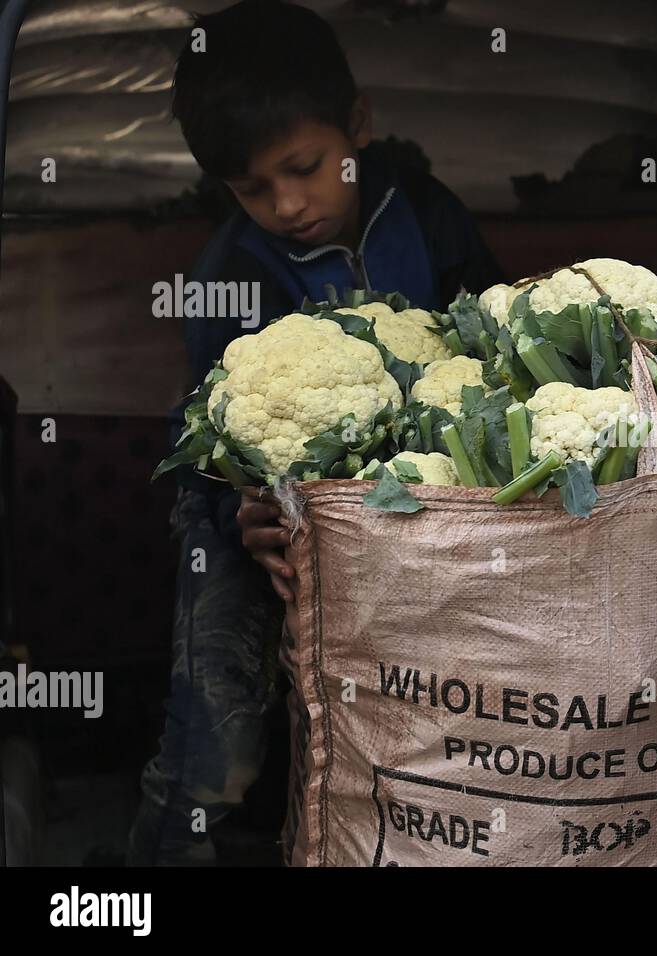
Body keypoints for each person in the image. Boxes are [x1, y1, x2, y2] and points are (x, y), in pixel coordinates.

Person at [129, 0, 504, 866]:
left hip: (416, 510)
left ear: (358, 124)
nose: (287, 204)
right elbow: (209, 434)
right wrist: (238, 517)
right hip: (253, 525)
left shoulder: (431, 218)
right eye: (251, 189)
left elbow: (493, 347)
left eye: (302, 168)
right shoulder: (229, 273)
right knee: (214, 739)